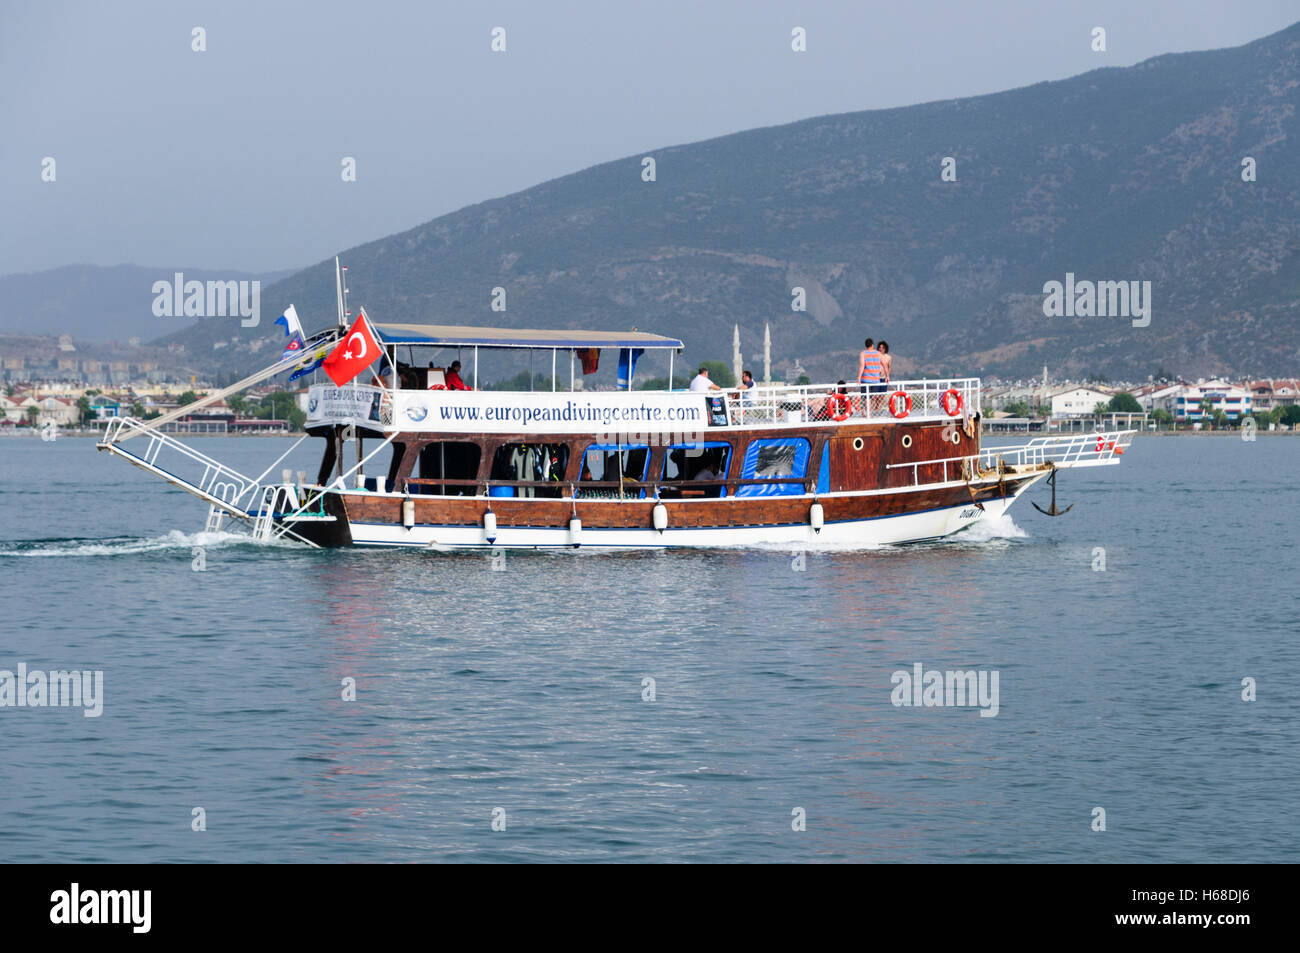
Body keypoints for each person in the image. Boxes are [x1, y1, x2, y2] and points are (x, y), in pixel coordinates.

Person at [857, 338, 885, 413]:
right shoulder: (878, 353)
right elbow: (884, 364)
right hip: (876, 380)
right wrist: (887, 376)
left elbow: (862, 365)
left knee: (867, 398)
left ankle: (866, 412)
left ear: (866, 345)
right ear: (873, 345)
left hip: (866, 379)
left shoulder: (863, 353)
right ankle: (867, 412)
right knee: (872, 397)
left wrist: (859, 378)